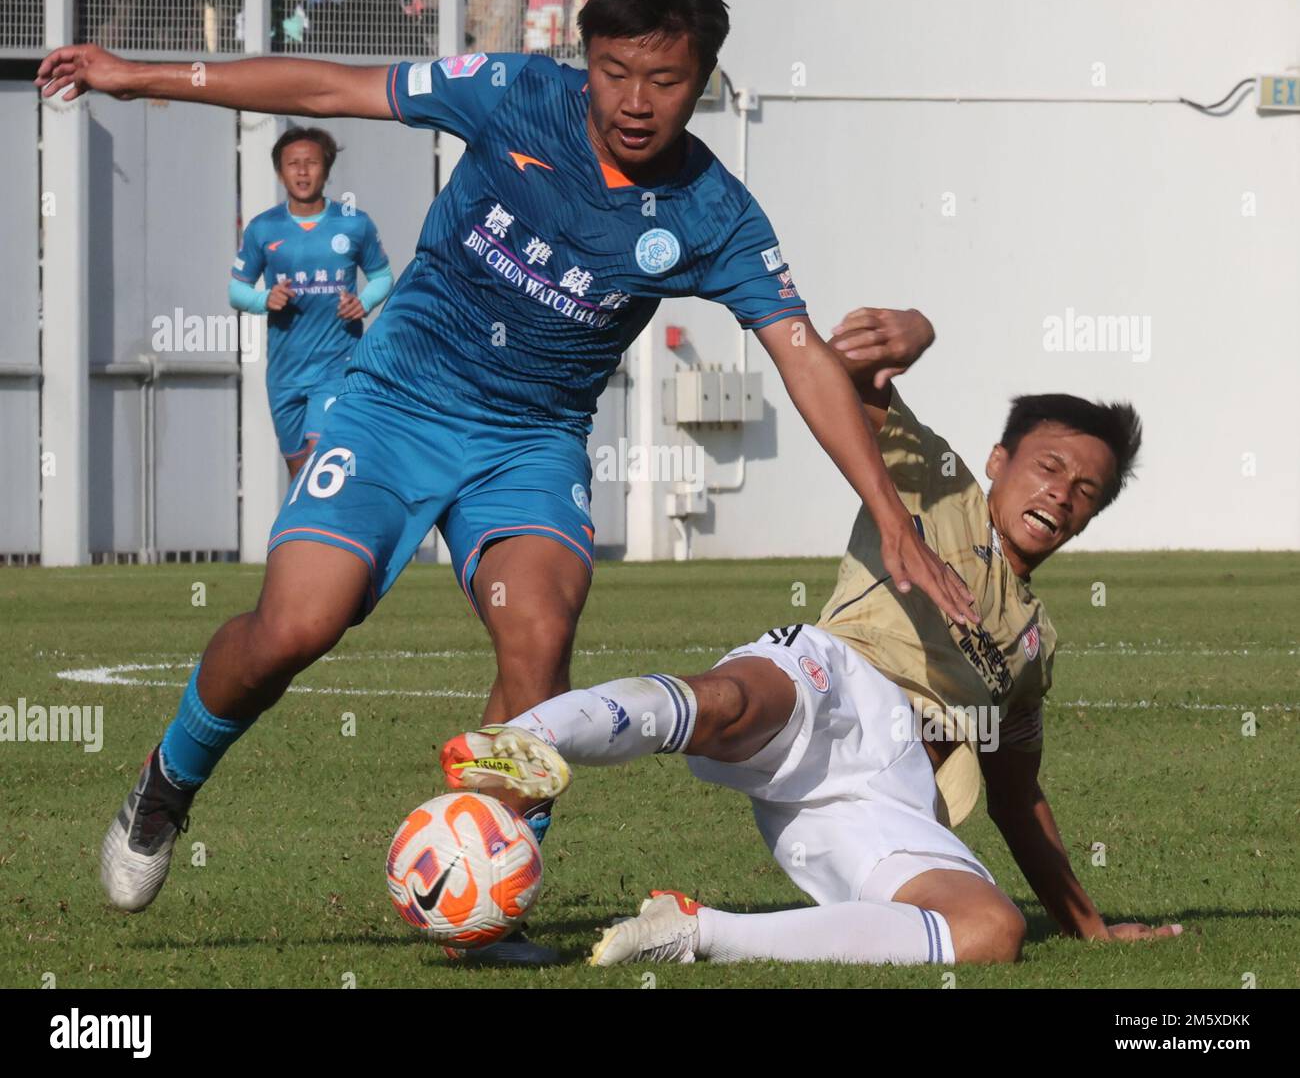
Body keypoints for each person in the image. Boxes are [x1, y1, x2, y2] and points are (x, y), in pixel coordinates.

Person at [38, 0, 975, 962]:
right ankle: (168, 780)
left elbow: (799, 352)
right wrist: (139, 73)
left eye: (664, 80)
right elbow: (328, 88)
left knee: (537, 636)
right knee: (294, 624)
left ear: (702, 77)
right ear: (587, 59)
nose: (634, 100)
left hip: (530, 443)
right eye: (615, 71)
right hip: (397, 402)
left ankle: (488, 907)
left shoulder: (713, 213)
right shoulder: (515, 94)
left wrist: (885, 509)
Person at [443, 306, 1182, 965]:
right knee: (731, 698)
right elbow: (845, 378)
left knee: (990, 930)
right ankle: (532, 735)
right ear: (999, 461)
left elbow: (1016, 799)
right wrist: (917, 331)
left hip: (886, 798)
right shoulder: (944, 479)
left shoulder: (1035, 640)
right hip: (834, 683)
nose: (1062, 491)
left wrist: (1091, 928)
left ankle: (696, 931)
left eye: (1086, 491)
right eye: (1050, 467)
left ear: (1089, 517)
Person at [230, 126, 393, 478]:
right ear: (280, 171)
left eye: (311, 163)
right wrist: (265, 299)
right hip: (286, 371)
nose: (302, 172)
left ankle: (337, 529)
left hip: (337, 364)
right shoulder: (263, 228)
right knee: (299, 471)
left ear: (326, 169)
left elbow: (382, 277)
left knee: (323, 459)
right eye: (293, 164)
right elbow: (236, 290)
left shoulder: (353, 224)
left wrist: (363, 302)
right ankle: (303, 533)